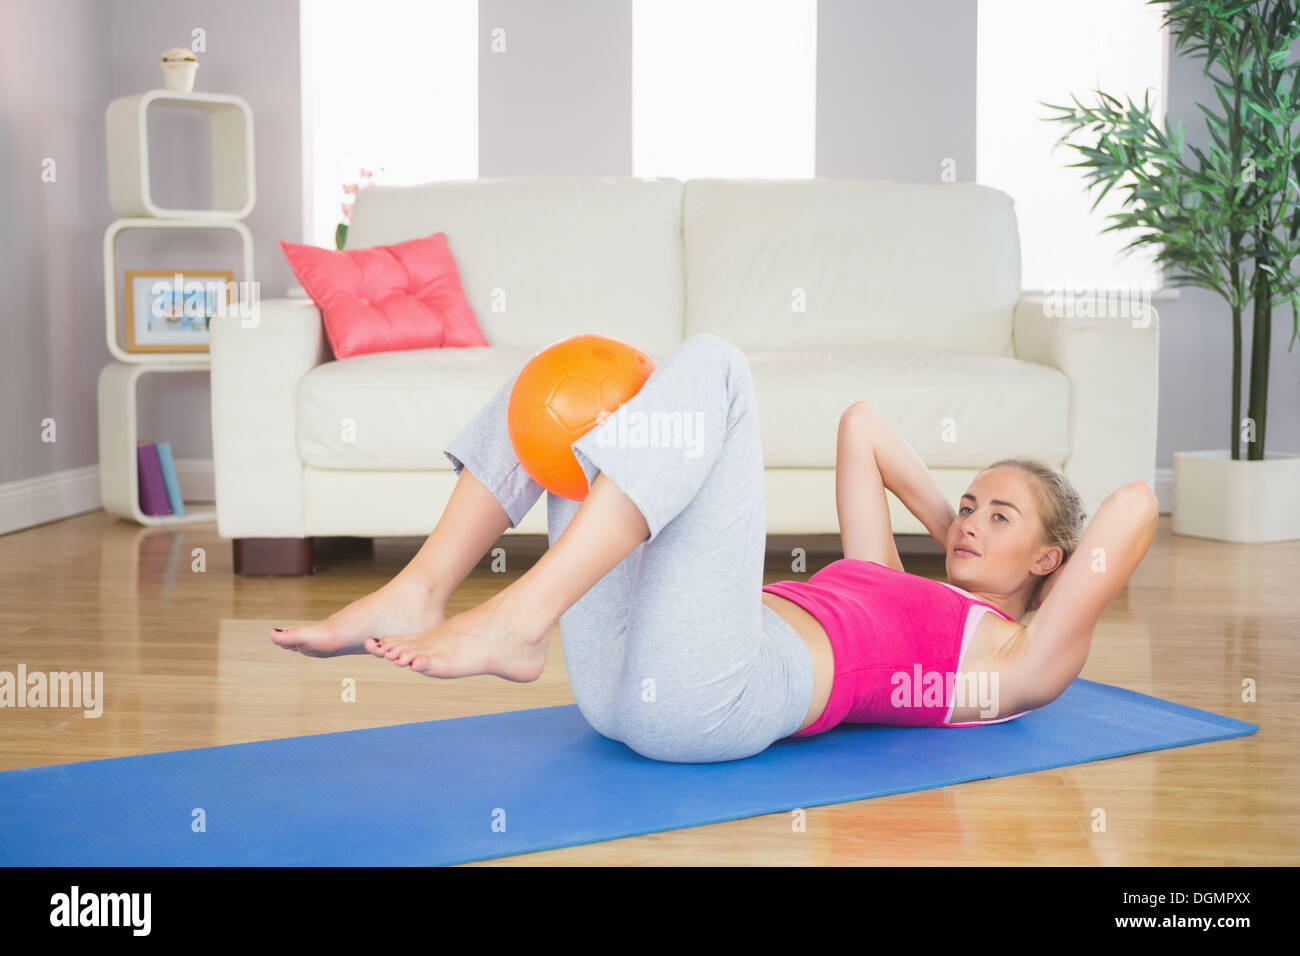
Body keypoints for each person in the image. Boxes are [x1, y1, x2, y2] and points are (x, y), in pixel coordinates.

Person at [271, 333, 1159, 763]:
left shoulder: (1016, 660)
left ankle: (518, 615)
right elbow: (863, 429)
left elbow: (1135, 506)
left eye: (1000, 517)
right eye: (970, 504)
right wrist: (954, 527)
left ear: (1052, 560)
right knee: (575, 382)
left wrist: (999, 551)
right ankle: (424, 587)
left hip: (717, 698)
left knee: (717, 370)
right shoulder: (887, 580)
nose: (969, 519)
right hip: (627, 682)